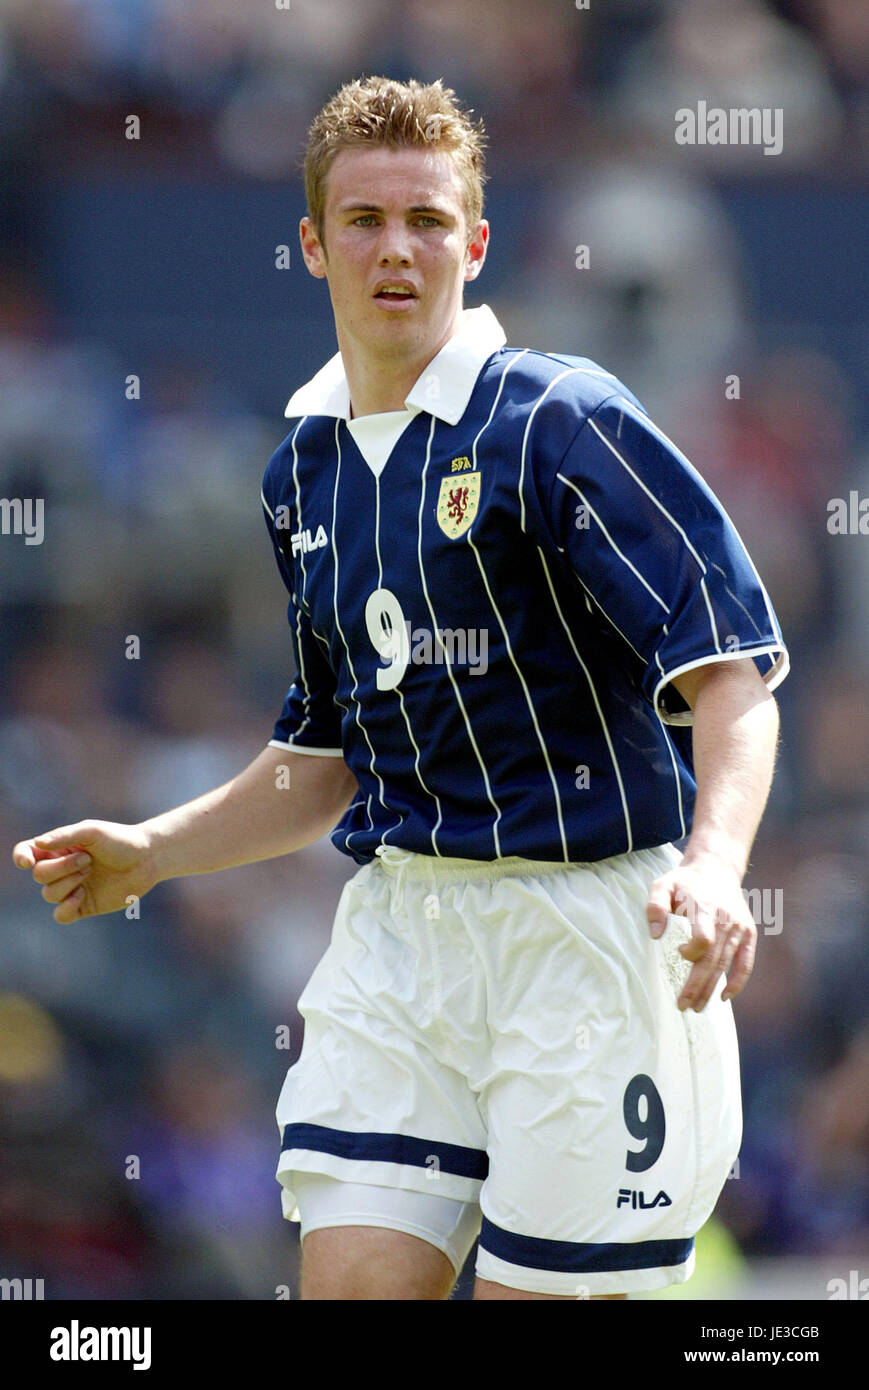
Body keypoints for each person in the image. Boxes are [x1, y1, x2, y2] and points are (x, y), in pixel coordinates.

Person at [13, 75, 788, 1301]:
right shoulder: (299, 472)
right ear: (313, 243)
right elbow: (324, 758)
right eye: (364, 220)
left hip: (588, 943)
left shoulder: (560, 421)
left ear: (473, 243)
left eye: (427, 220)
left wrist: (713, 861)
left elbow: (731, 678)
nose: (397, 249)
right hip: (403, 945)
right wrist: (155, 850)